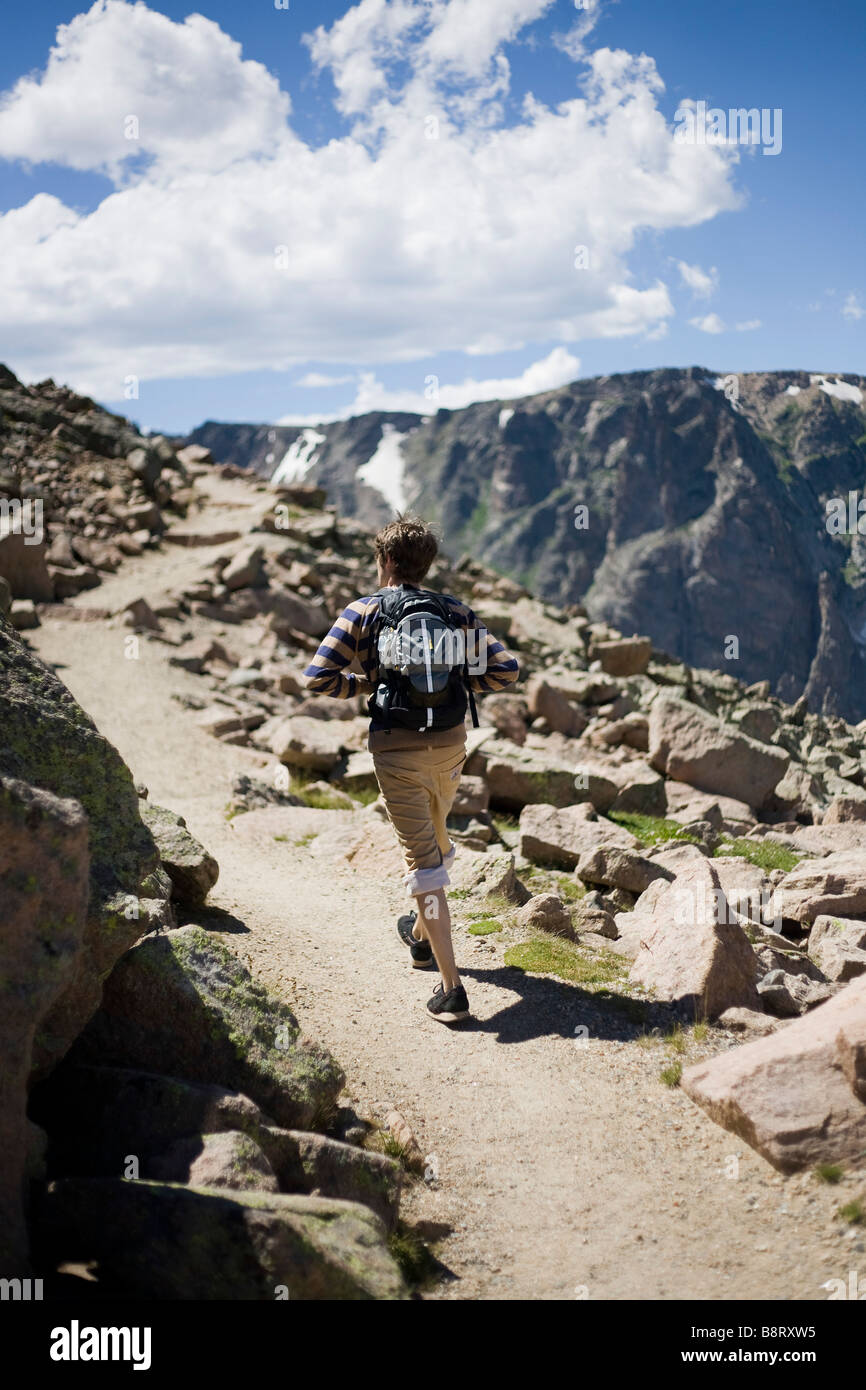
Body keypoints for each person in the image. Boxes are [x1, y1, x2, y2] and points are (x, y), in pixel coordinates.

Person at [303, 516, 520, 1023]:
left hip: (395, 749)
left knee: (425, 866)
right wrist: (462, 687)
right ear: (427, 565)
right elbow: (505, 670)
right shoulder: (453, 610)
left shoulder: (363, 611)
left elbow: (317, 677)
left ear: (383, 561)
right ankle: (421, 940)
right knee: (438, 841)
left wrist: (368, 686)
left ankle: (452, 988)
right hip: (450, 745)